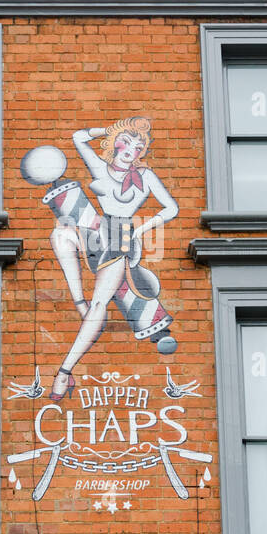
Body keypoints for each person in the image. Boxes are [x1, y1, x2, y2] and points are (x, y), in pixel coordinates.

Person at [48, 117, 178, 401]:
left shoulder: (145, 177)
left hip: (121, 235)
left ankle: (64, 372)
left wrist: (141, 229)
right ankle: (79, 302)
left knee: (100, 304)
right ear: (115, 144)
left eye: (139, 145)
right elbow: (77, 136)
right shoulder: (99, 167)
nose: (132, 148)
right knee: (59, 236)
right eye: (127, 142)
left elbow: (171, 208)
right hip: (97, 230)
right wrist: (107, 129)